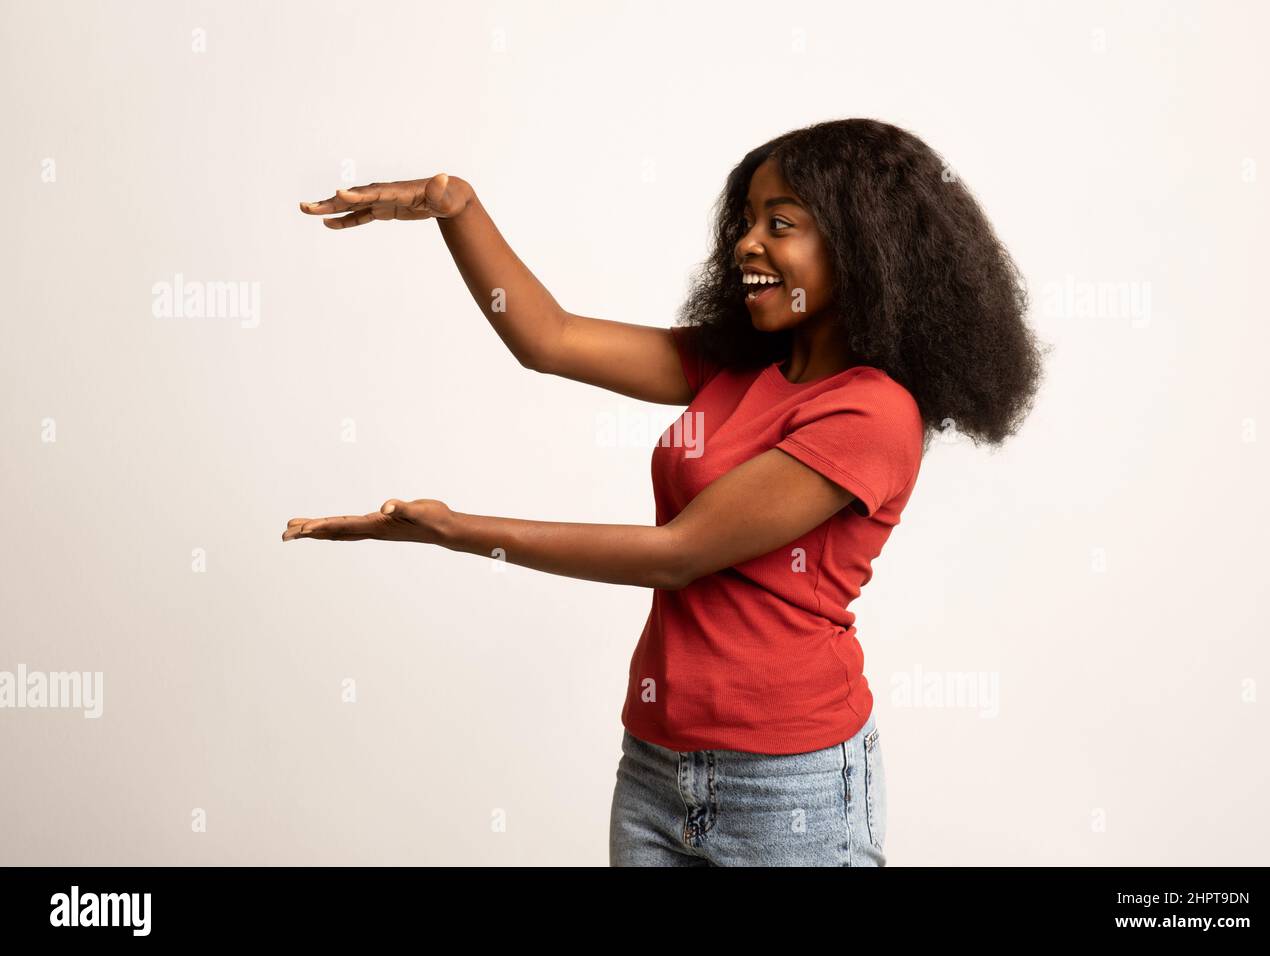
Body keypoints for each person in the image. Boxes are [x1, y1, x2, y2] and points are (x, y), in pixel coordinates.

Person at [284, 118, 1046, 866]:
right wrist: (457, 210)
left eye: (780, 223)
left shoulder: (873, 412)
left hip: (791, 785)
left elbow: (678, 554)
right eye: (746, 220)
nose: (747, 242)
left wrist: (458, 531)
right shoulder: (737, 365)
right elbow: (546, 338)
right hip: (656, 761)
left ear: (862, 243)